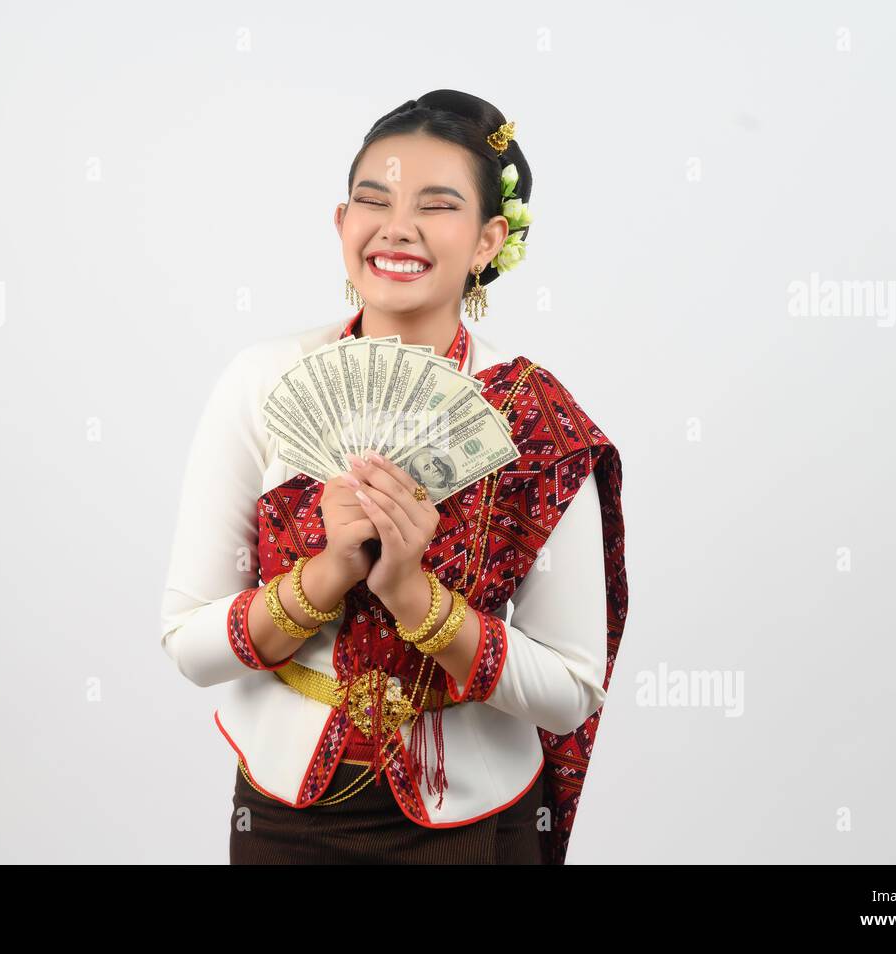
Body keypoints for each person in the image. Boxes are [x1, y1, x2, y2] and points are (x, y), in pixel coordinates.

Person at [160, 90, 629, 864]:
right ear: (342, 224)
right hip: (281, 818)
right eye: (373, 200)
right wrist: (327, 574)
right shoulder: (262, 381)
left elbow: (571, 688)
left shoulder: (533, 420)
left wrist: (418, 598)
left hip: (475, 826)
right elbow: (189, 644)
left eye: (436, 206)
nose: (397, 226)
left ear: (488, 240)